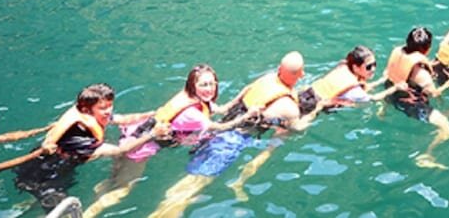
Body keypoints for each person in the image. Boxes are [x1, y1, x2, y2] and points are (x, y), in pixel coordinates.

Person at [84, 65, 256, 218]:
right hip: (138, 149)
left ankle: (99, 195)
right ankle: (88, 214)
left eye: (212, 84)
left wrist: (242, 94)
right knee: (122, 191)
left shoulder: (190, 97)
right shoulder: (194, 114)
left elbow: (221, 109)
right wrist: (247, 116)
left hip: (133, 135)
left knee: (114, 181)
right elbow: (220, 127)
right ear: (193, 85)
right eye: (204, 84)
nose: (209, 88)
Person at [151, 52, 310, 214]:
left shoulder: (267, 79)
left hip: (216, 132)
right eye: (301, 71)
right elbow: (298, 128)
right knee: (193, 186)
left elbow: (246, 91)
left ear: (279, 69)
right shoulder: (289, 107)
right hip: (229, 143)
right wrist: (316, 110)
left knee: (191, 183)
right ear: (300, 74)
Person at [14, 83, 163, 213]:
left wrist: (149, 115)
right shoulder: (80, 136)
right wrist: (152, 134)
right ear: (87, 109)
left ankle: (27, 205)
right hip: (43, 177)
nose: (108, 111)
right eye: (103, 108)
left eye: (110, 105)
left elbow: (122, 119)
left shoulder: (92, 114)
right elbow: (121, 150)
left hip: (55, 167)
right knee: (66, 212)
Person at [383, 27, 449, 169]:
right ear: (427, 48)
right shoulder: (421, 72)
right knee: (448, 129)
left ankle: (382, 109)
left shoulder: (398, 52)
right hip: (409, 105)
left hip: (390, 94)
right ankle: (427, 155)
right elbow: (434, 93)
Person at [298, 46, 402, 114]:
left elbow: (362, 87)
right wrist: (395, 88)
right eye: (369, 67)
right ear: (356, 67)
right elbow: (373, 98)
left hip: (305, 94)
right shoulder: (354, 91)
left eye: (375, 64)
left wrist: (381, 80)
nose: (373, 69)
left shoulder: (345, 69)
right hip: (310, 107)